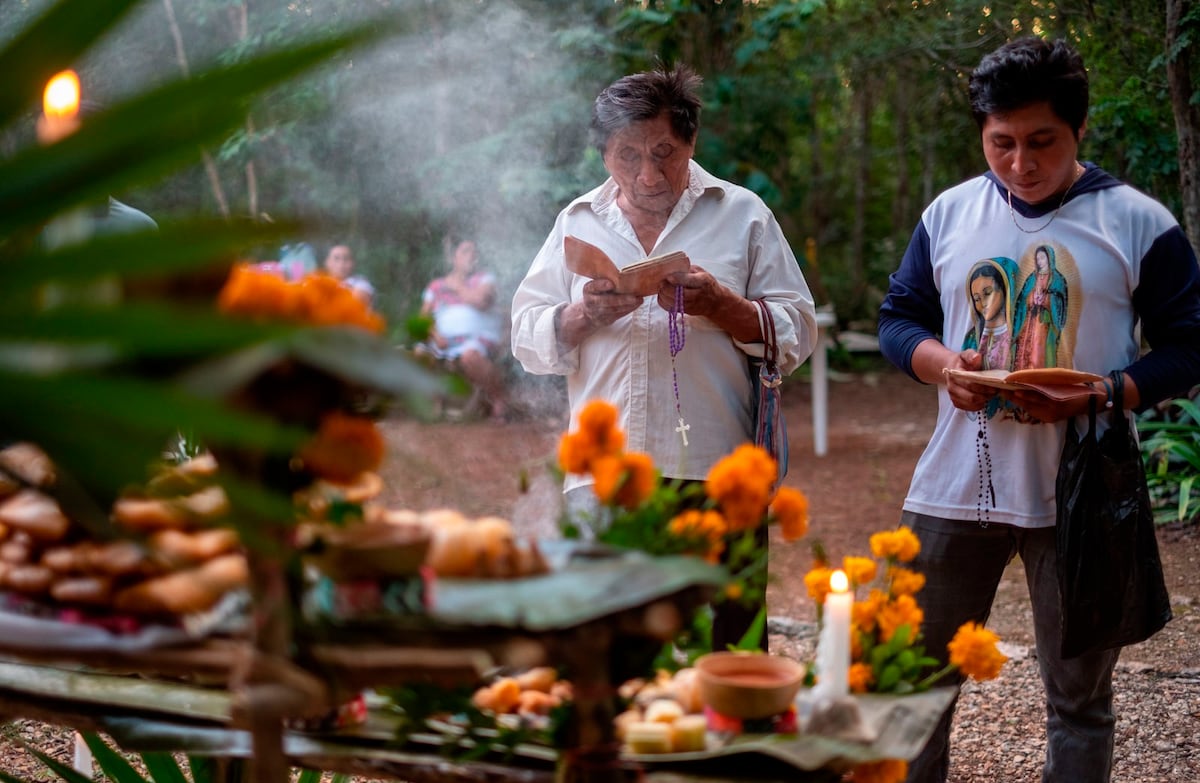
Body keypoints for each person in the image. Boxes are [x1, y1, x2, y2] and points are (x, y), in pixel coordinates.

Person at [877, 36, 1200, 783]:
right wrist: (942, 363)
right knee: (913, 677)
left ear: (1078, 130)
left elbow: (1189, 345)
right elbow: (900, 318)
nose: (1021, 164)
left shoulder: (1136, 222)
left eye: (1041, 143)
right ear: (982, 134)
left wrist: (1102, 392)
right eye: (1002, 144)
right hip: (956, 484)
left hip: (1085, 493)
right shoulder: (949, 214)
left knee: (1079, 698)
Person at [510, 63, 818, 651]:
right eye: (628, 156)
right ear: (603, 154)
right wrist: (584, 315)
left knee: (728, 655)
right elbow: (525, 336)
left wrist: (724, 306)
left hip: (718, 472)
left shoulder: (743, 214)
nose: (649, 175)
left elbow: (798, 330)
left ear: (691, 142)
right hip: (606, 475)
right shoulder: (576, 221)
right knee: (612, 657)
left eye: (665, 153)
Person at [419, 236, 509, 421]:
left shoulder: (485, 279)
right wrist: (435, 335)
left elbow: (481, 302)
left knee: (470, 356)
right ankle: (434, 404)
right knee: (419, 355)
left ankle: (499, 399)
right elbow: (422, 319)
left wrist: (457, 286)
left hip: (476, 340)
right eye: (466, 251)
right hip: (442, 343)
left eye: (475, 252)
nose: (472, 256)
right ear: (454, 258)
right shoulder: (436, 286)